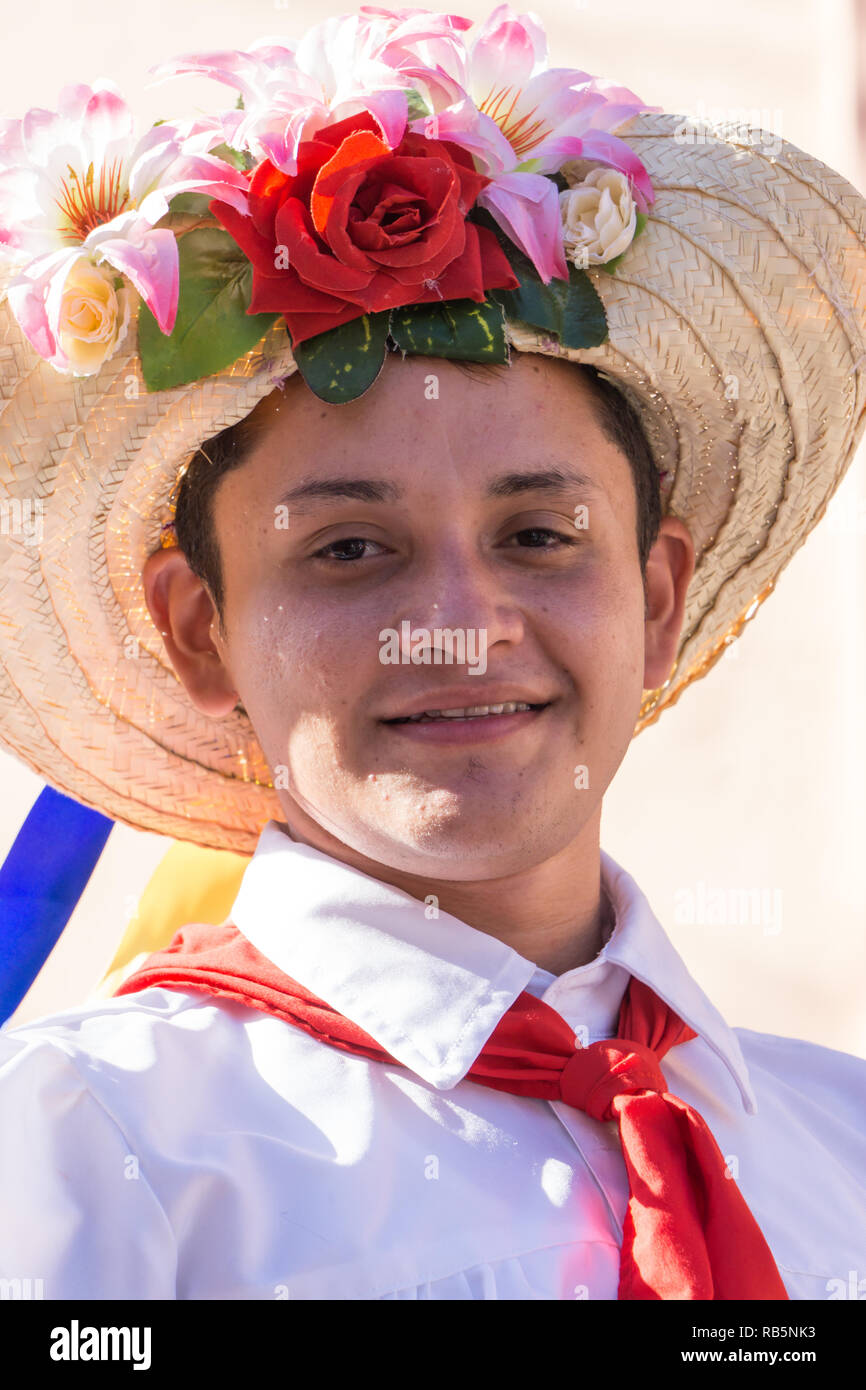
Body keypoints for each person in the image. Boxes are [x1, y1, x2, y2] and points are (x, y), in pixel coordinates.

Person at [0, 4, 864, 1301]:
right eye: (349, 549)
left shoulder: (840, 1140)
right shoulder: (86, 1153)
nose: (462, 620)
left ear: (658, 597)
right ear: (200, 630)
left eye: (539, 535)